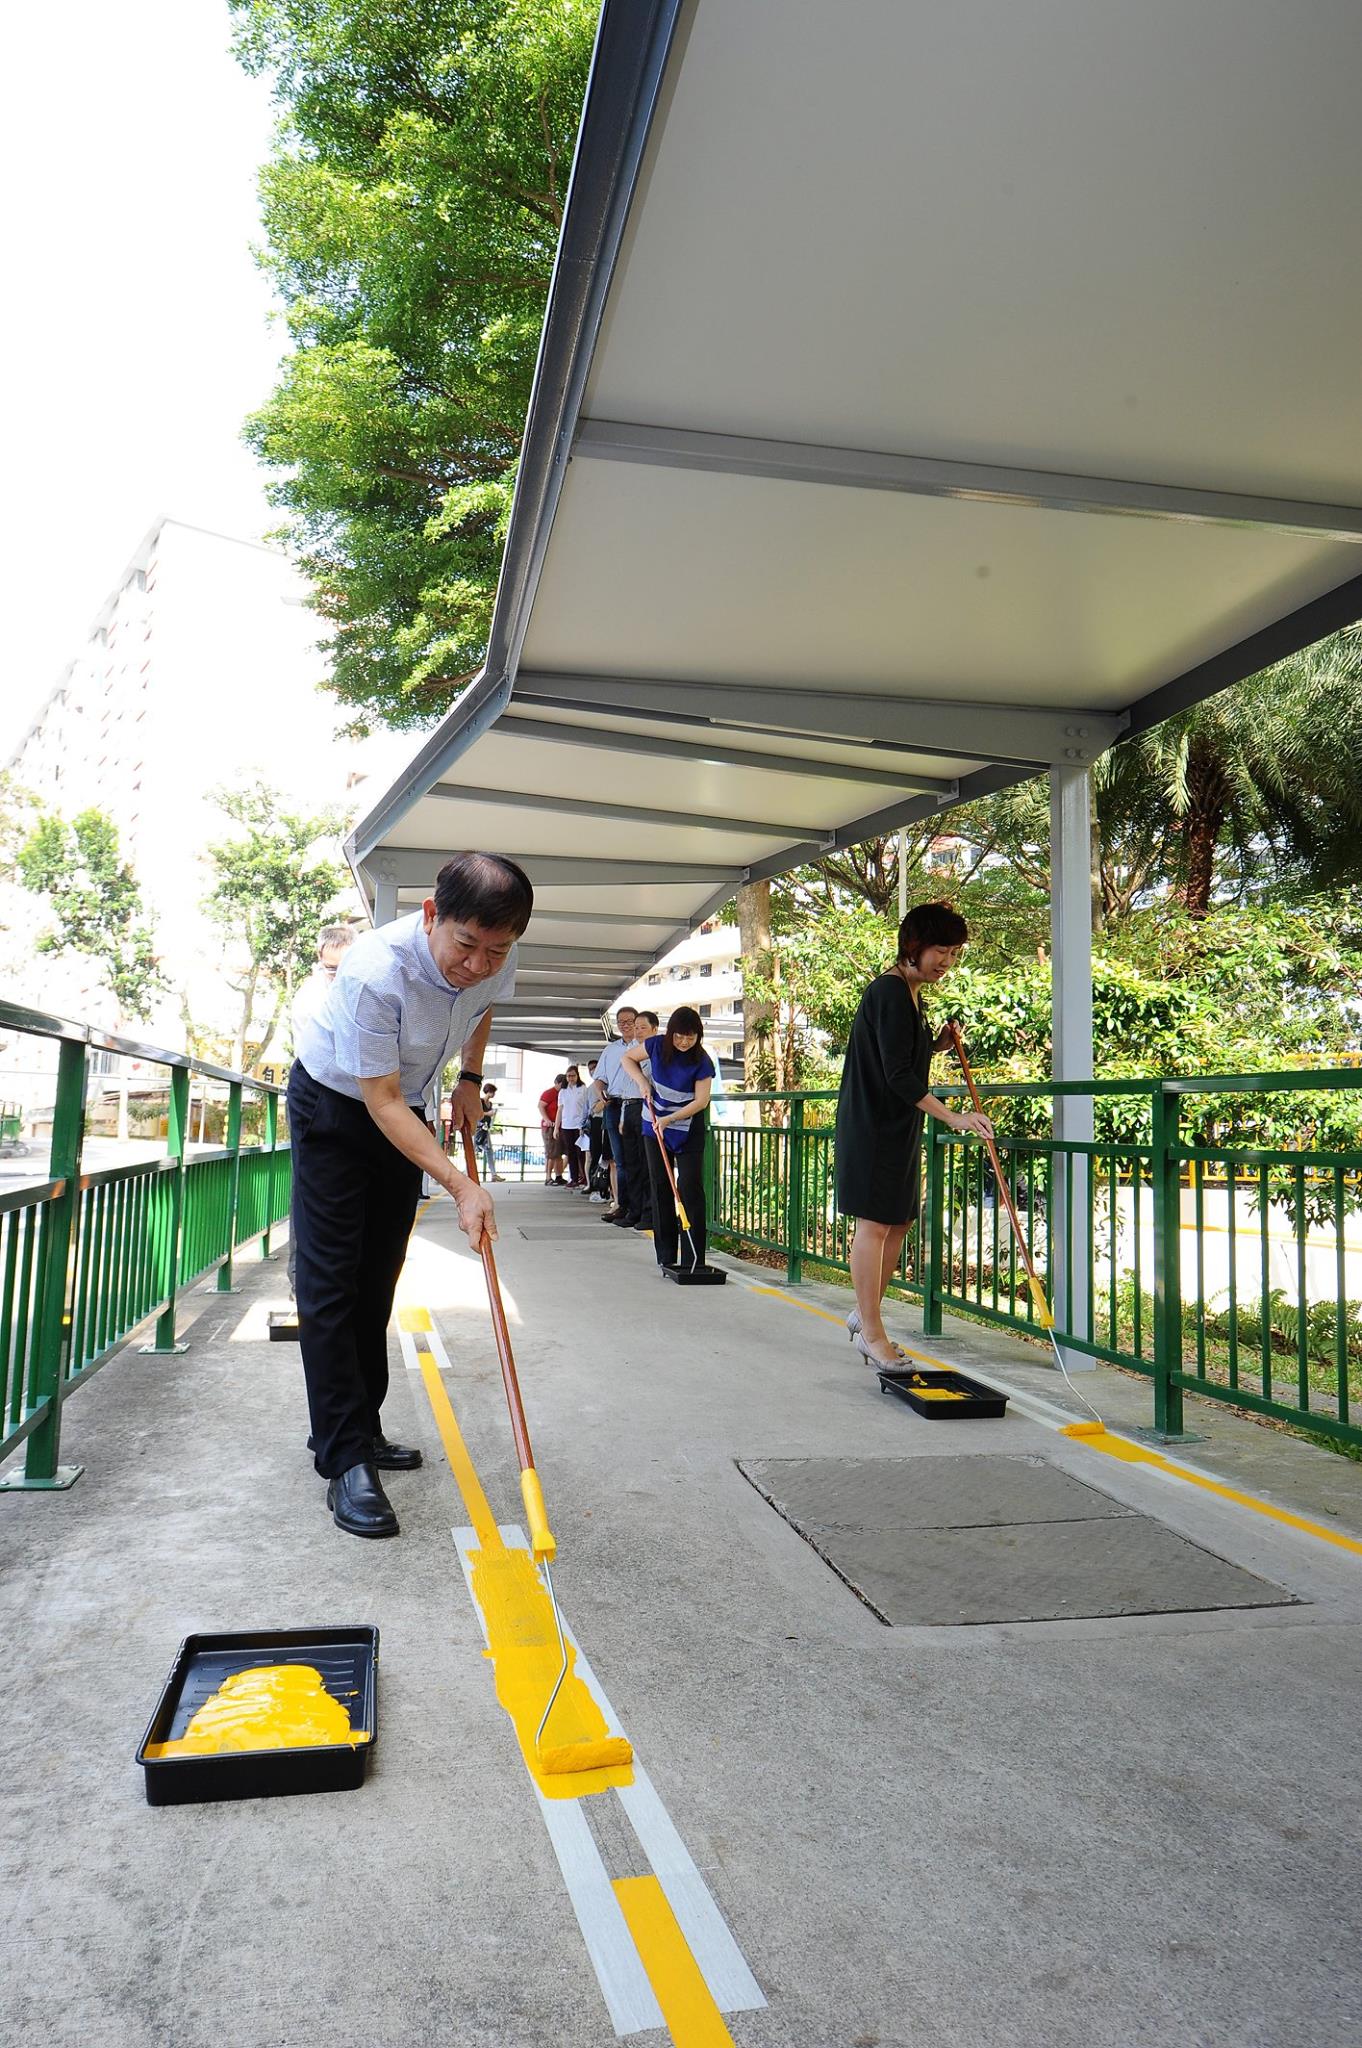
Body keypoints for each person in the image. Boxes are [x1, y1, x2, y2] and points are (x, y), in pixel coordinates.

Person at [288, 851, 531, 1538]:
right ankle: (343, 1460)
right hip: (337, 1108)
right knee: (330, 1284)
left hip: (411, 1102)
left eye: (496, 950)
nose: (478, 964)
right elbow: (382, 1100)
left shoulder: (496, 957)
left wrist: (468, 1079)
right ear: (431, 915)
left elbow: (485, 1003)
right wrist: (459, 1186)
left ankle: (360, 1426)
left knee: (376, 1281)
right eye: (465, 945)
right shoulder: (375, 972)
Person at [834, 901, 993, 1368]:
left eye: (954, 952)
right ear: (914, 946)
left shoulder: (910, 992)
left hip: (898, 1127)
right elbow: (898, 1075)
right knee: (875, 1224)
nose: (946, 961)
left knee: (899, 1221)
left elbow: (902, 1052)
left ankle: (865, 1316)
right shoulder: (889, 991)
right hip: (873, 1126)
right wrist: (953, 1116)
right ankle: (872, 1330)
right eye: (940, 949)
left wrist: (937, 1043)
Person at [287, 924, 357, 1293]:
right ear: (321, 963)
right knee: (310, 1188)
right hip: (319, 1093)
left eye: (345, 967)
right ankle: (303, 1283)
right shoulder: (311, 997)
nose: (338, 975)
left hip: (354, 1096)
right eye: (332, 969)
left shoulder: (358, 986)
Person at [625, 1005, 716, 1274]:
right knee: (660, 1185)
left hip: (686, 1127)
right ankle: (666, 1255)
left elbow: (702, 1101)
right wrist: (642, 1081)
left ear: (698, 1036)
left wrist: (669, 1120)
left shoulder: (702, 1061)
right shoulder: (655, 1046)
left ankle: (693, 1258)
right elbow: (627, 1060)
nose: (684, 1042)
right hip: (653, 1123)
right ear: (670, 1033)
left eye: (690, 1037)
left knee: (690, 1187)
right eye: (679, 1036)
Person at [612, 1009, 659, 1232]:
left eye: (643, 1027)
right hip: (629, 1107)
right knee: (631, 1164)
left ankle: (649, 1213)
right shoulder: (630, 1052)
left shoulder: (656, 1051)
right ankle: (634, 1210)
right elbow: (625, 1088)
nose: (638, 1031)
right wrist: (622, 1116)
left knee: (645, 1163)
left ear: (654, 1030)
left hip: (645, 1106)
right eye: (636, 1027)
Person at [591, 1005, 638, 1219]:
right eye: (622, 1022)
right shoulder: (610, 1049)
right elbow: (600, 1078)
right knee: (618, 1159)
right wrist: (600, 1091)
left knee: (636, 1157)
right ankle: (622, 1204)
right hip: (613, 1104)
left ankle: (638, 1207)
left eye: (630, 1022)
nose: (626, 1026)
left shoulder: (644, 1045)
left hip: (636, 1104)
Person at [555, 1064, 591, 1188]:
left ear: (577, 1076)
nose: (570, 1078)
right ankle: (574, 1178)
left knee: (581, 1153)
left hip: (579, 1125)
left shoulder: (583, 1088)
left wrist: (585, 1123)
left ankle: (585, 1177)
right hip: (567, 1125)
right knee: (571, 1153)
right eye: (568, 1076)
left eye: (573, 1076)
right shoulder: (563, 1091)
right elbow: (560, 1110)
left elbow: (587, 1107)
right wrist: (556, 1127)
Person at [539, 1073, 566, 1184]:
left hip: (560, 1125)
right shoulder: (549, 1093)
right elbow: (541, 1106)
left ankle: (559, 1175)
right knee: (551, 1152)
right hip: (550, 1126)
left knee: (558, 1152)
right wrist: (547, 1120)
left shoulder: (563, 1093)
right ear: (557, 1083)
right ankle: (548, 1177)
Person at [474, 1082, 502, 1181]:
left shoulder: (490, 1103)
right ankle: (469, 1172)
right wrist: (488, 1113)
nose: (494, 1094)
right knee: (475, 1150)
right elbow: (476, 1114)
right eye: (493, 1092)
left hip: (485, 1128)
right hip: (478, 1128)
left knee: (489, 1151)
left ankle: (493, 1174)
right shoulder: (480, 1101)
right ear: (489, 1092)